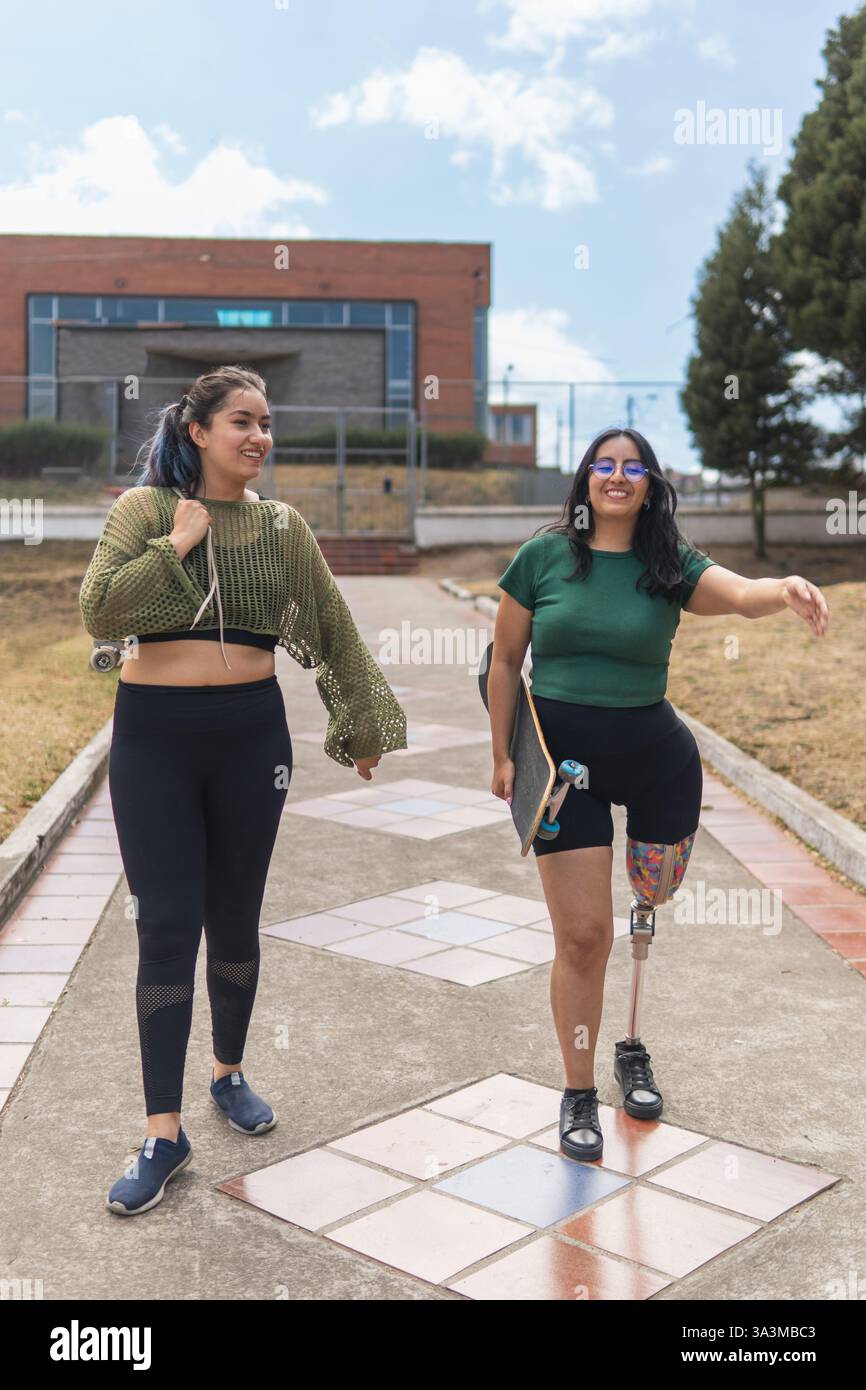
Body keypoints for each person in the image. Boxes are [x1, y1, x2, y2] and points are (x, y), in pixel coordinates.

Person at [78, 364, 407, 1215]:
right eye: (242, 421)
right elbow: (102, 612)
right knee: (164, 924)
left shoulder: (281, 527)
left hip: (251, 737)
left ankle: (227, 1073)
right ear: (198, 431)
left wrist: (362, 726)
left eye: (267, 423)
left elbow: (332, 627)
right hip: (153, 738)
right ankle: (163, 1133)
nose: (259, 437)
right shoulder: (143, 510)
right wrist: (177, 543)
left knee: (235, 916)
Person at [488, 426, 829, 1163]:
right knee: (585, 936)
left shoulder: (667, 563)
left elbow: (739, 594)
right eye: (604, 465)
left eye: (632, 466)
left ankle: (631, 1044)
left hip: (656, 762)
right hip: (563, 771)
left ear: (649, 484)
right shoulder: (543, 556)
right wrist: (503, 756)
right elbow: (506, 658)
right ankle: (579, 1092)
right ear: (585, 481)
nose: (617, 476)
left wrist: (786, 588)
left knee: (653, 895)